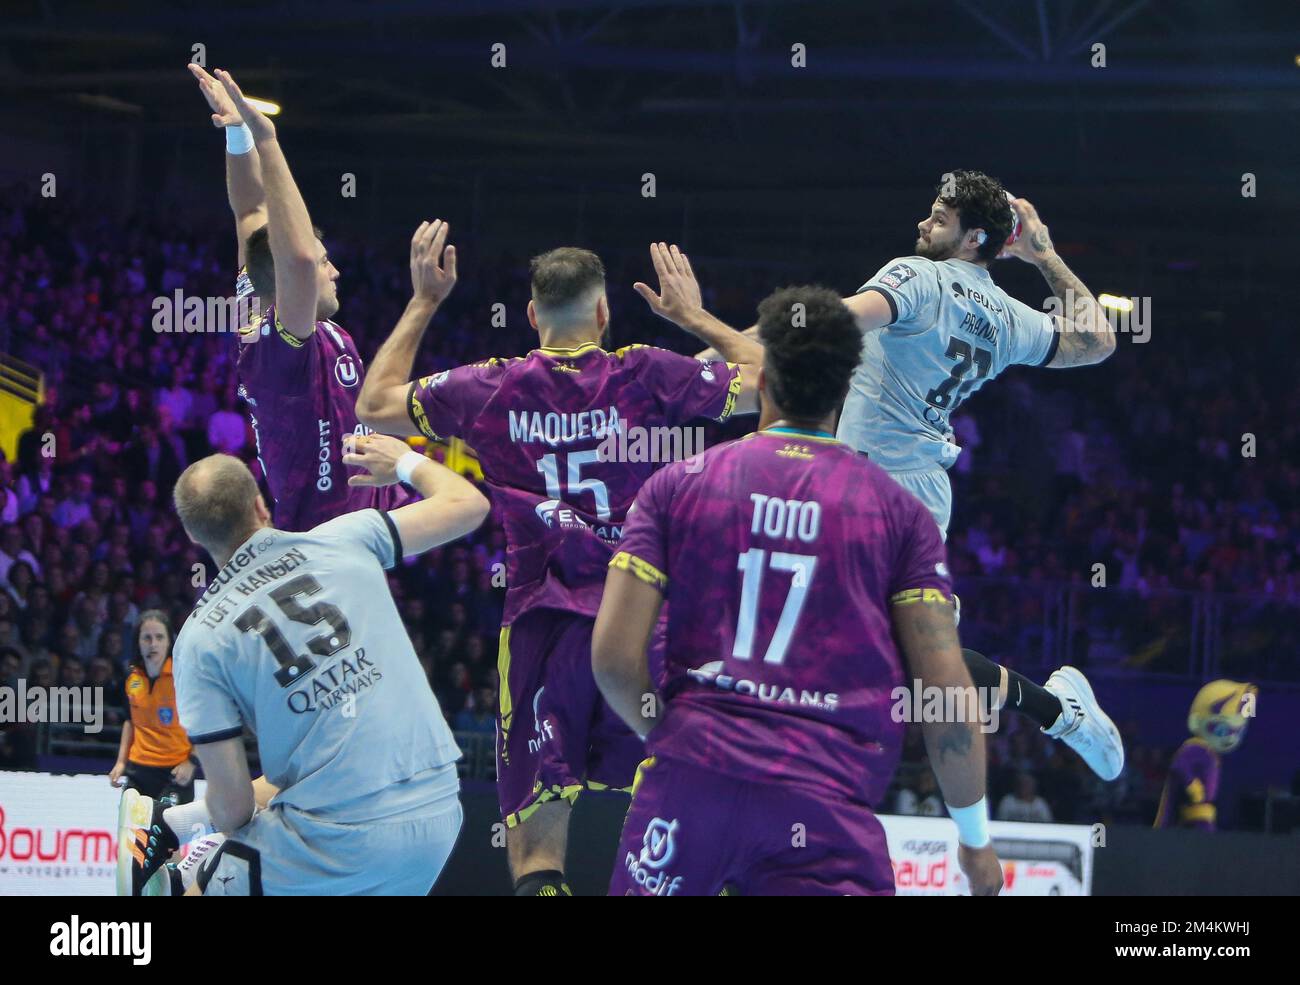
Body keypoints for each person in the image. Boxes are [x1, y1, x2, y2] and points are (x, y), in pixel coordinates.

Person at [355, 237, 762, 895]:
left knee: (536, 823)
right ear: (603, 313)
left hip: (544, 621)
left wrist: (425, 299)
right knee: (679, 789)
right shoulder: (648, 372)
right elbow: (776, 381)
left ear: (531, 315)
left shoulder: (491, 387)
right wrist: (694, 317)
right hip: (645, 621)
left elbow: (373, 404)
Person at [698, 171, 1123, 782]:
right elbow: (1098, 341)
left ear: (974, 236)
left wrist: (702, 360)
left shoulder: (919, 277)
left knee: (909, 667)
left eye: (939, 218)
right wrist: (1046, 256)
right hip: (915, 492)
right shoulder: (1007, 316)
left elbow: (820, 325)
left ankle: (1058, 711)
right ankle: (1060, 711)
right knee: (918, 668)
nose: (924, 225)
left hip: (878, 496)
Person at [592, 285, 1002, 896]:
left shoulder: (676, 485)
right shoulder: (899, 514)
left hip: (690, 784)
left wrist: (674, 741)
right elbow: (946, 697)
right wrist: (974, 839)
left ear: (761, 380)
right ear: (847, 388)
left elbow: (614, 660)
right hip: (826, 806)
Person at [118, 436, 488, 895]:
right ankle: (175, 827)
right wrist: (405, 460)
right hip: (437, 820)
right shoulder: (346, 536)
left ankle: (185, 870)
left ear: (193, 536)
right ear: (260, 505)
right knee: (313, 763)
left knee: (206, 881)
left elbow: (232, 809)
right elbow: (468, 503)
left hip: (332, 842)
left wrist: (216, 843)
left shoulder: (198, 639)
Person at [186, 64, 419, 530]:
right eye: (325, 261)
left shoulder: (257, 292)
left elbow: (252, 209)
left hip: (372, 505)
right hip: (332, 530)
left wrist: (238, 135)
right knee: (471, 507)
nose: (335, 270)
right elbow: (300, 260)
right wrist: (267, 141)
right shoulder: (278, 345)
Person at [109, 611, 196, 803]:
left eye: (159, 637)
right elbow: (129, 721)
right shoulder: (132, 678)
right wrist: (121, 762)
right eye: (146, 638)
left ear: (169, 642)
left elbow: (205, 721)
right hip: (137, 771)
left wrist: (192, 762)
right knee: (131, 832)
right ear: (138, 643)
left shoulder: (184, 677)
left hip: (175, 773)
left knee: (165, 832)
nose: (153, 644)